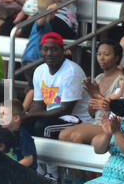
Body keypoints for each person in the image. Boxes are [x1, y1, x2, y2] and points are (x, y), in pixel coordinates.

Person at [20, 33, 91, 161]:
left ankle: (51, 172)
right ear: (40, 51)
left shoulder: (72, 72)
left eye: (54, 49)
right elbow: (38, 104)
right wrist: (25, 116)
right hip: (53, 116)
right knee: (22, 125)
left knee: (42, 127)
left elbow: (66, 109)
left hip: (76, 119)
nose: (49, 53)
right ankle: (32, 166)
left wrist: (31, 115)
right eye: (45, 49)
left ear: (63, 51)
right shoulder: (40, 70)